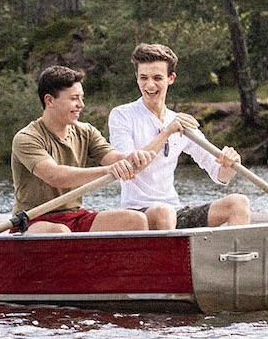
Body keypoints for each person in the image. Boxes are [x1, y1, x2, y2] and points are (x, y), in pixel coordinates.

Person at [107, 43, 253, 230]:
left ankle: (237, 258)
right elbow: (129, 167)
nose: (149, 85)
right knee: (163, 212)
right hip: (138, 214)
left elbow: (219, 175)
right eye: (143, 78)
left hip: (174, 211)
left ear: (171, 78)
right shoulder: (122, 115)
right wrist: (167, 132)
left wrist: (230, 164)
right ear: (137, 78)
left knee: (238, 203)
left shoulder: (179, 122)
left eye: (157, 78)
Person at [11, 65, 157, 234]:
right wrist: (108, 171)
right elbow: (55, 176)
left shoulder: (86, 131)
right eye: (74, 98)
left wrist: (131, 158)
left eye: (81, 98)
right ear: (49, 101)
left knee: (135, 220)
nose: (81, 105)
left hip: (75, 216)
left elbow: (114, 158)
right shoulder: (26, 138)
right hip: (33, 220)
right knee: (60, 232)